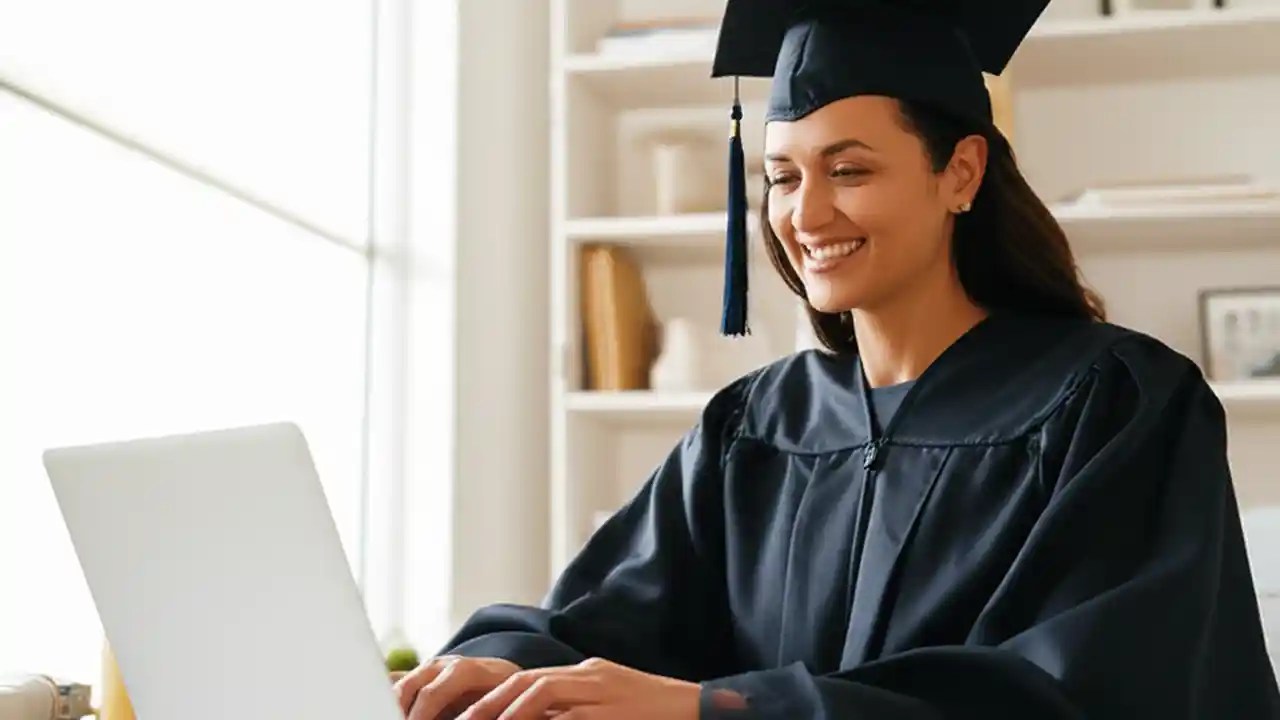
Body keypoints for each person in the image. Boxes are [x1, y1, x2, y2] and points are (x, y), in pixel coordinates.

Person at [394, 0, 1280, 717]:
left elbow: (1083, 690)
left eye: (849, 171)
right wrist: (484, 666)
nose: (805, 215)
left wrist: (724, 710)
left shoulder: (1115, 403)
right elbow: (601, 619)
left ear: (962, 173)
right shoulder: (757, 425)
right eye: (782, 176)